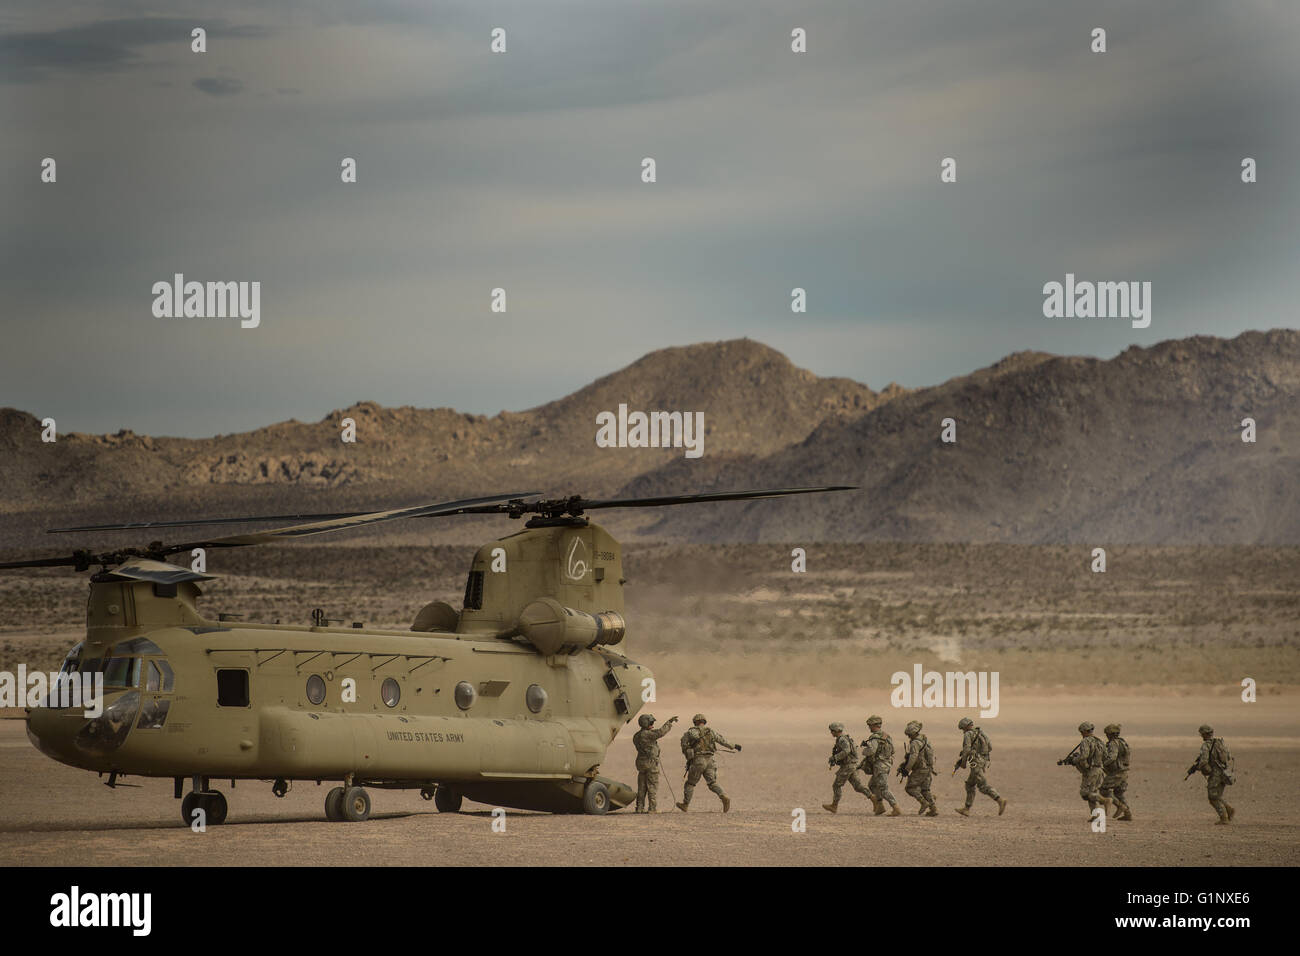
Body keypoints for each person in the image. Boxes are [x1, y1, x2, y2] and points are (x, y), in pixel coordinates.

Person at [676, 714, 740, 812]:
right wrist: (734, 746)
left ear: (695, 722)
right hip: (710, 760)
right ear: (704, 722)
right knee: (712, 783)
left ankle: (685, 804)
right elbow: (722, 740)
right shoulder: (710, 731)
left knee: (690, 783)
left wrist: (688, 753)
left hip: (698, 760)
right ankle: (723, 796)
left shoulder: (690, 732)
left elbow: (684, 745)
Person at [952, 717, 1007, 816]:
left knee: (982, 786)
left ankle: (1000, 800)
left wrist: (963, 763)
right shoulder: (981, 732)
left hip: (976, 763)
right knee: (969, 785)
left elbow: (966, 750)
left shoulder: (968, 734)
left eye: (963, 729)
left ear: (965, 727)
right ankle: (966, 808)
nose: (963, 731)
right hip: (982, 761)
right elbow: (989, 747)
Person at [1187, 725, 1236, 825]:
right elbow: (1229, 757)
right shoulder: (1220, 742)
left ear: (1204, 734)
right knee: (1217, 795)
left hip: (1216, 774)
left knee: (1212, 797)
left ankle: (1224, 818)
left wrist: (1202, 769)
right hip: (1225, 773)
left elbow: (1204, 762)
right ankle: (1229, 810)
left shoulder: (1206, 746)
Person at [632, 713, 678, 813]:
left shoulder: (636, 736)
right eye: (651, 722)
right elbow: (660, 732)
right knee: (652, 786)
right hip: (650, 763)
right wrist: (669, 723)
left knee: (642, 787)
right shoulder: (647, 734)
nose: (652, 724)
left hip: (641, 763)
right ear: (646, 723)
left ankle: (639, 808)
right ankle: (652, 808)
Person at [823, 722, 872, 813]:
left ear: (836, 731)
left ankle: (834, 806)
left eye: (832, 731)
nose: (831, 733)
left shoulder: (842, 739)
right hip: (852, 765)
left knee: (836, 785)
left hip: (848, 766)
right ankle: (875, 799)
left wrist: (835, 757)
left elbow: (846, 751)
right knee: (858, 786)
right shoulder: (844, 738)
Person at [860, 716, 902, 816]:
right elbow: (892, 750)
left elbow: (872, 751)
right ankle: (880, 806)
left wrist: (864, 751)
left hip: (880, 766)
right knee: (872, 785)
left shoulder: (874, 737)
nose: (869, 727)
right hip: (886, 764)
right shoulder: (886, 736)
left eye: (870, 725)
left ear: (874, 725)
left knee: (883, 788)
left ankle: (896, 808)